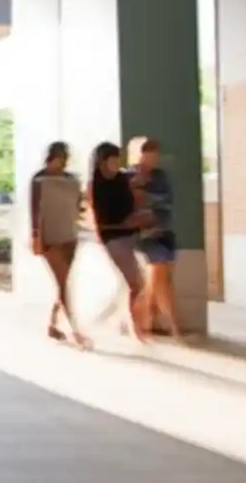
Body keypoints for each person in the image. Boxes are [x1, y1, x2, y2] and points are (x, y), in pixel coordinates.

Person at [30, 142, 91, 349]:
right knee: (63, 283)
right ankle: (75, 330)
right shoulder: (39, 180)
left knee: (62, 282)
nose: (61, 161)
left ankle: (53, 325)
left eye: (64, 157)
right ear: (50, 157)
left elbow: (79, 205)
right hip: (50, 237)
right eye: (58, 157)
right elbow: (34, 211)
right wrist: (36, 236)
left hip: (70, 235)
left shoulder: (71, 180)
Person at [89, 141, 151, 342]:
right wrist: (126, 223)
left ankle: (123, 320)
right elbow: (101, 221)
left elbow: (134, 202)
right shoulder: (96, 185)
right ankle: (135, 328)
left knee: (134, 282)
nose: (116, 162)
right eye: (112, 159)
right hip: (113, 237)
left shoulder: (124, 179)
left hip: (130, 234)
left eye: (117, 158)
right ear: (102, 161)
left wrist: (139, 216)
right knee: (136, 283)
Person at [130, 137, 181, 339]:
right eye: (146, 152)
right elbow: (130, 203)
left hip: (163, 232)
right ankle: (172, 325)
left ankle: (147, 321)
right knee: (157, 274)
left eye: (154, 152)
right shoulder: (129, 176)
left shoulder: (161, 177)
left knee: (162, 277)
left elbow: (166, 201)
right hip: (142, 235)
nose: (151, 157)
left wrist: (146, 196)